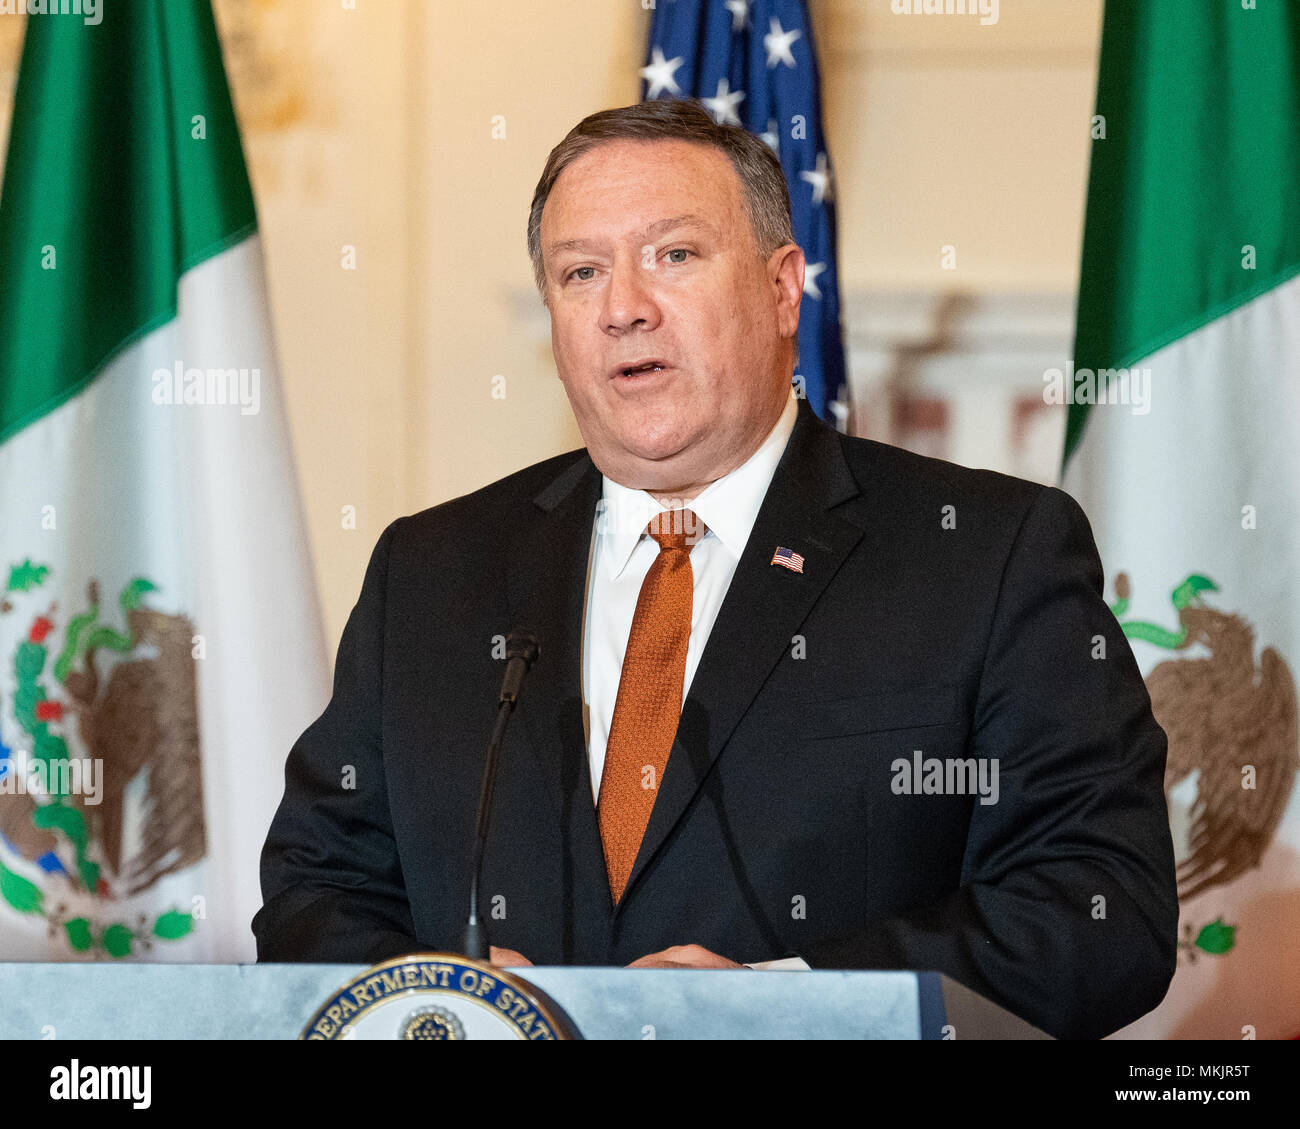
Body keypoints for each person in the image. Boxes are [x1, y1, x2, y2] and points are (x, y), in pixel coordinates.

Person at [253, 98, 1177, 1040]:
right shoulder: (433, 572)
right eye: (581, 272)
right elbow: (314, 889)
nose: (623, 308)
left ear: (784, 290)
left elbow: (1100, 905)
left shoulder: (986, 553)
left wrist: (793, 1004)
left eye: (674, 256)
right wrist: (430, 1001)